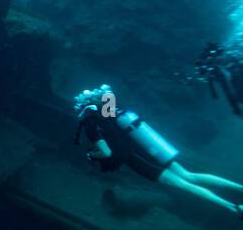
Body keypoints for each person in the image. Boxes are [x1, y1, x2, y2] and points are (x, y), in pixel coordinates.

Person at [73, 85, 243, 217]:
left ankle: (234, 208)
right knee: (190, 175)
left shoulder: (90, 124)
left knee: (185, 185)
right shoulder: (108, 112)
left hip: (140, 160)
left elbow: (107, 152)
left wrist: (91, 154)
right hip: (150, 148)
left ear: (83, 108)